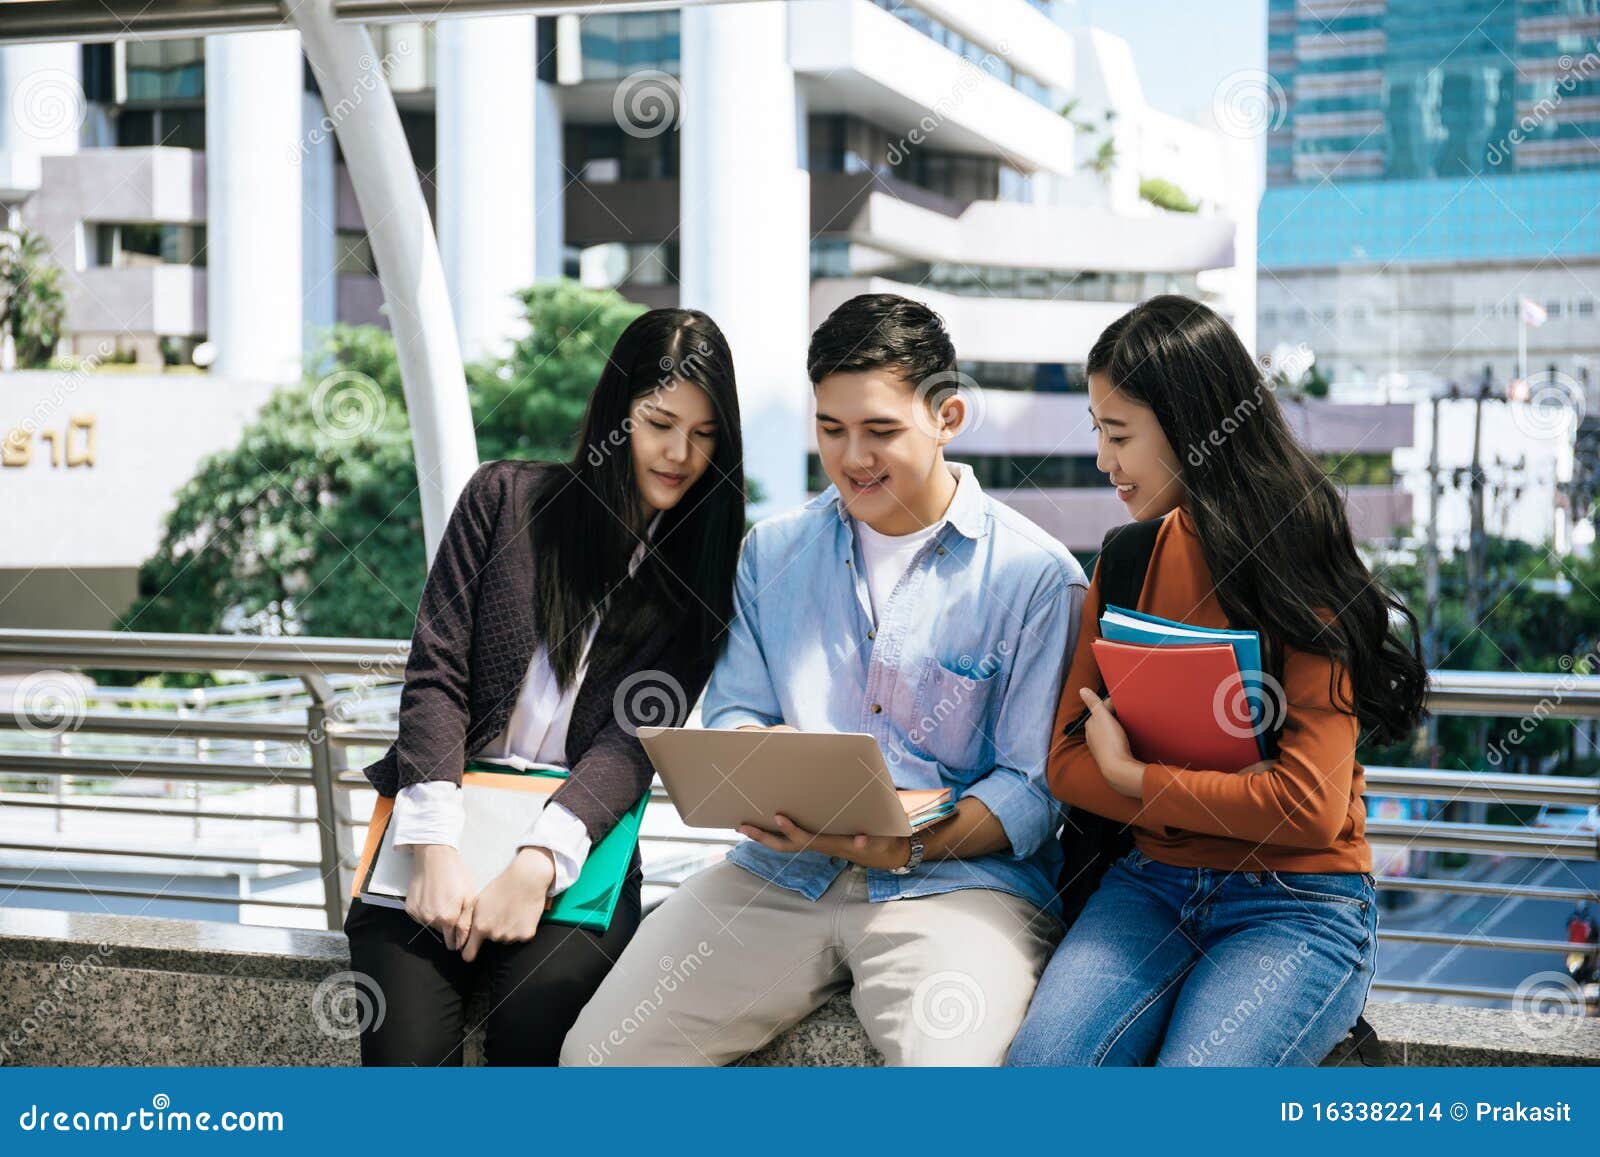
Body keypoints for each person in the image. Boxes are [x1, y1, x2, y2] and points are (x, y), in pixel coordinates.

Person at [561, 293, 1088, 1067]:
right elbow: (739, 706)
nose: (852, 458)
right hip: (779, 874)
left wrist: (902, 841)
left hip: (957, 888)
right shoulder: (772, 555)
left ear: (947, 416)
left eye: (880, 431)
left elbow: (1035, 788)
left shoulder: (1037, 578)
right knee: (598, 1058)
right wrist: (754, 759)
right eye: (830, 429)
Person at [1008, 294, 1428, 1067]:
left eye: (1120, 434)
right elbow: (1066, 764)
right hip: (1152, 887)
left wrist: (1133, 774)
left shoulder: (1298, 564)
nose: (1104, 460)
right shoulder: (1126, 562)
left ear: (1191, 425)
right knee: (1043, 1071)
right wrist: (1173, 789)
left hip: (1298, 903)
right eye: (1098, 432)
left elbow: (1306, 809)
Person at [345, 308, 745, 1066]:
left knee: (535, 1032)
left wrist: (535, 867)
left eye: (704, 435)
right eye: (660, 423)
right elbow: (435, 674)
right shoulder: (502, 501)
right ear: (617, 413)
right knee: (403, 1054)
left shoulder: (700, 580)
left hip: (575, 841)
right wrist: (433, 846)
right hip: (444, 815)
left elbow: (632, 744)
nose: (680, 453)